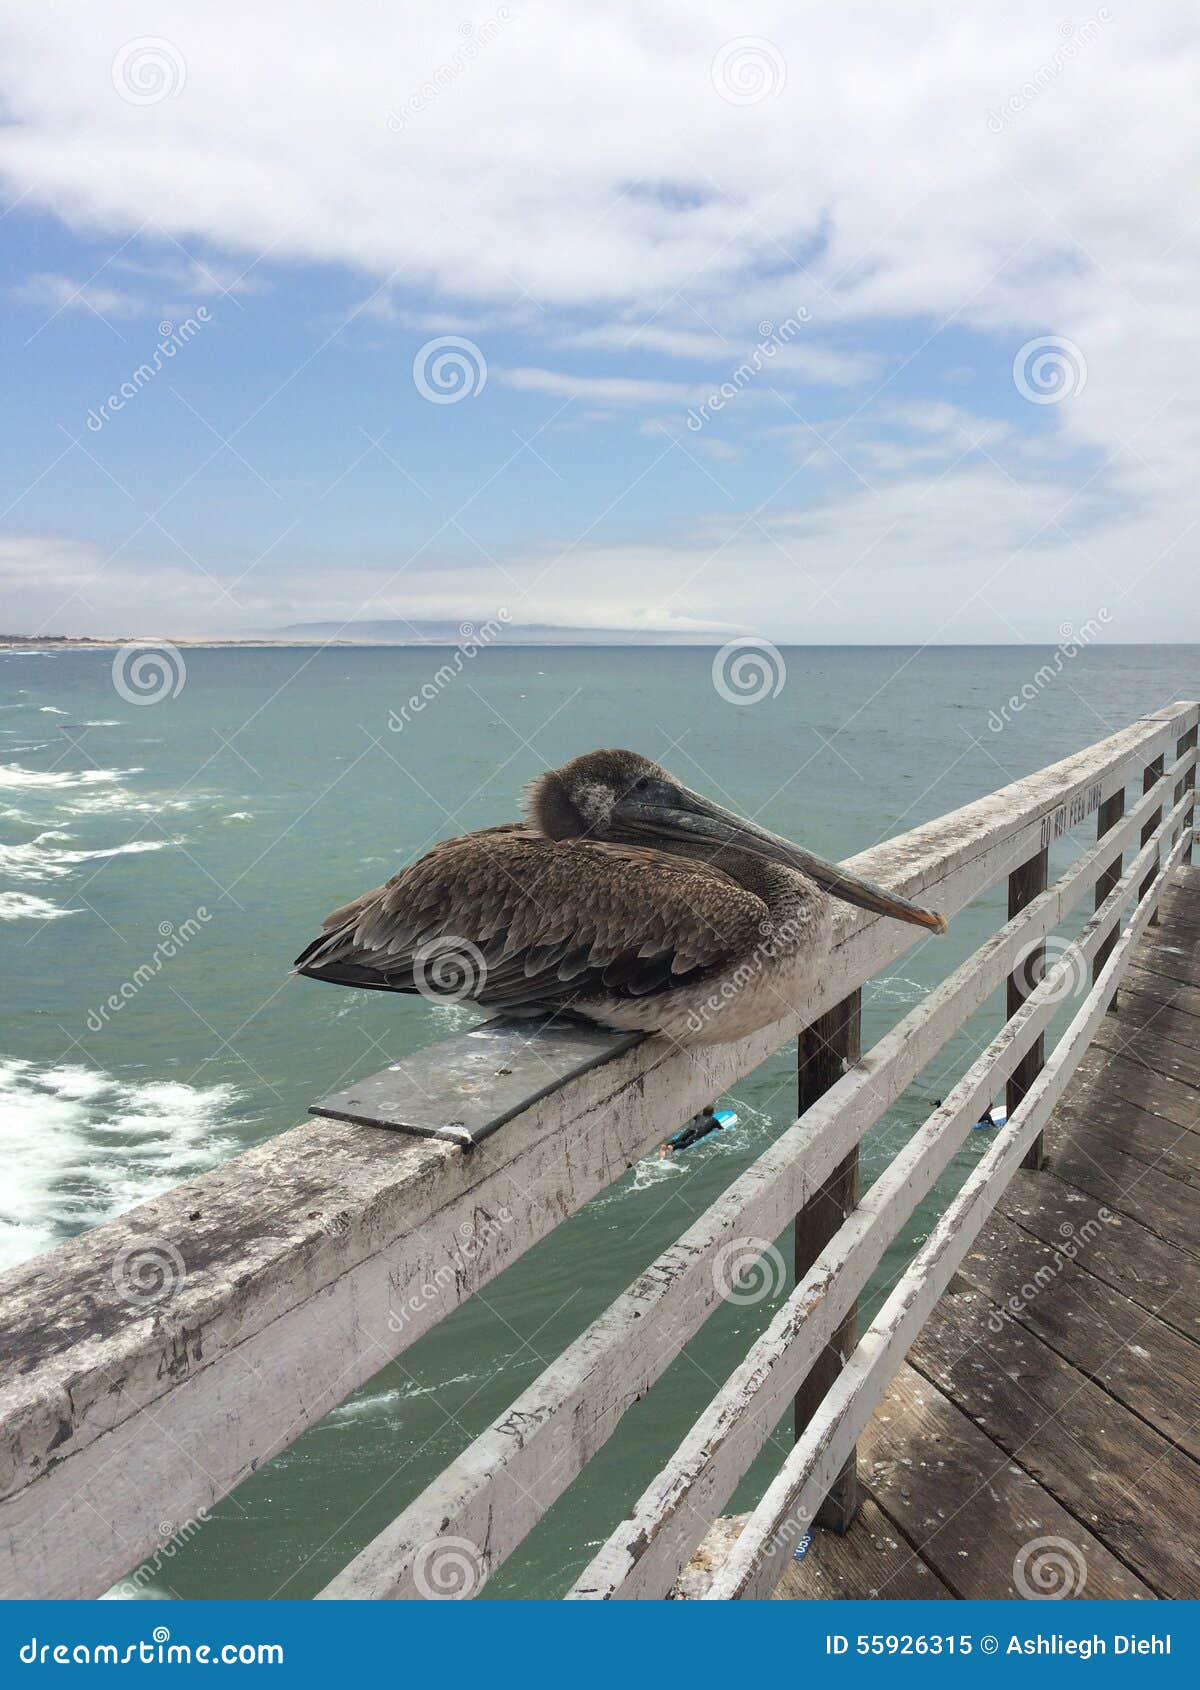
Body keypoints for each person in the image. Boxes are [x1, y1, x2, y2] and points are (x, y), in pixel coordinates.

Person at [659, 1104, 724, 1157]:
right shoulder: (714, 1120)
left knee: (678, 1139)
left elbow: (694, 1117)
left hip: (690, 1129)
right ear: (712, 1113)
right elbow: (721, 1128)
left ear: (703, 1111)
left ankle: (666, 1145)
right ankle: (673, 1147)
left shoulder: (699, 1116)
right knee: (686, 1143)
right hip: (697, 1132)